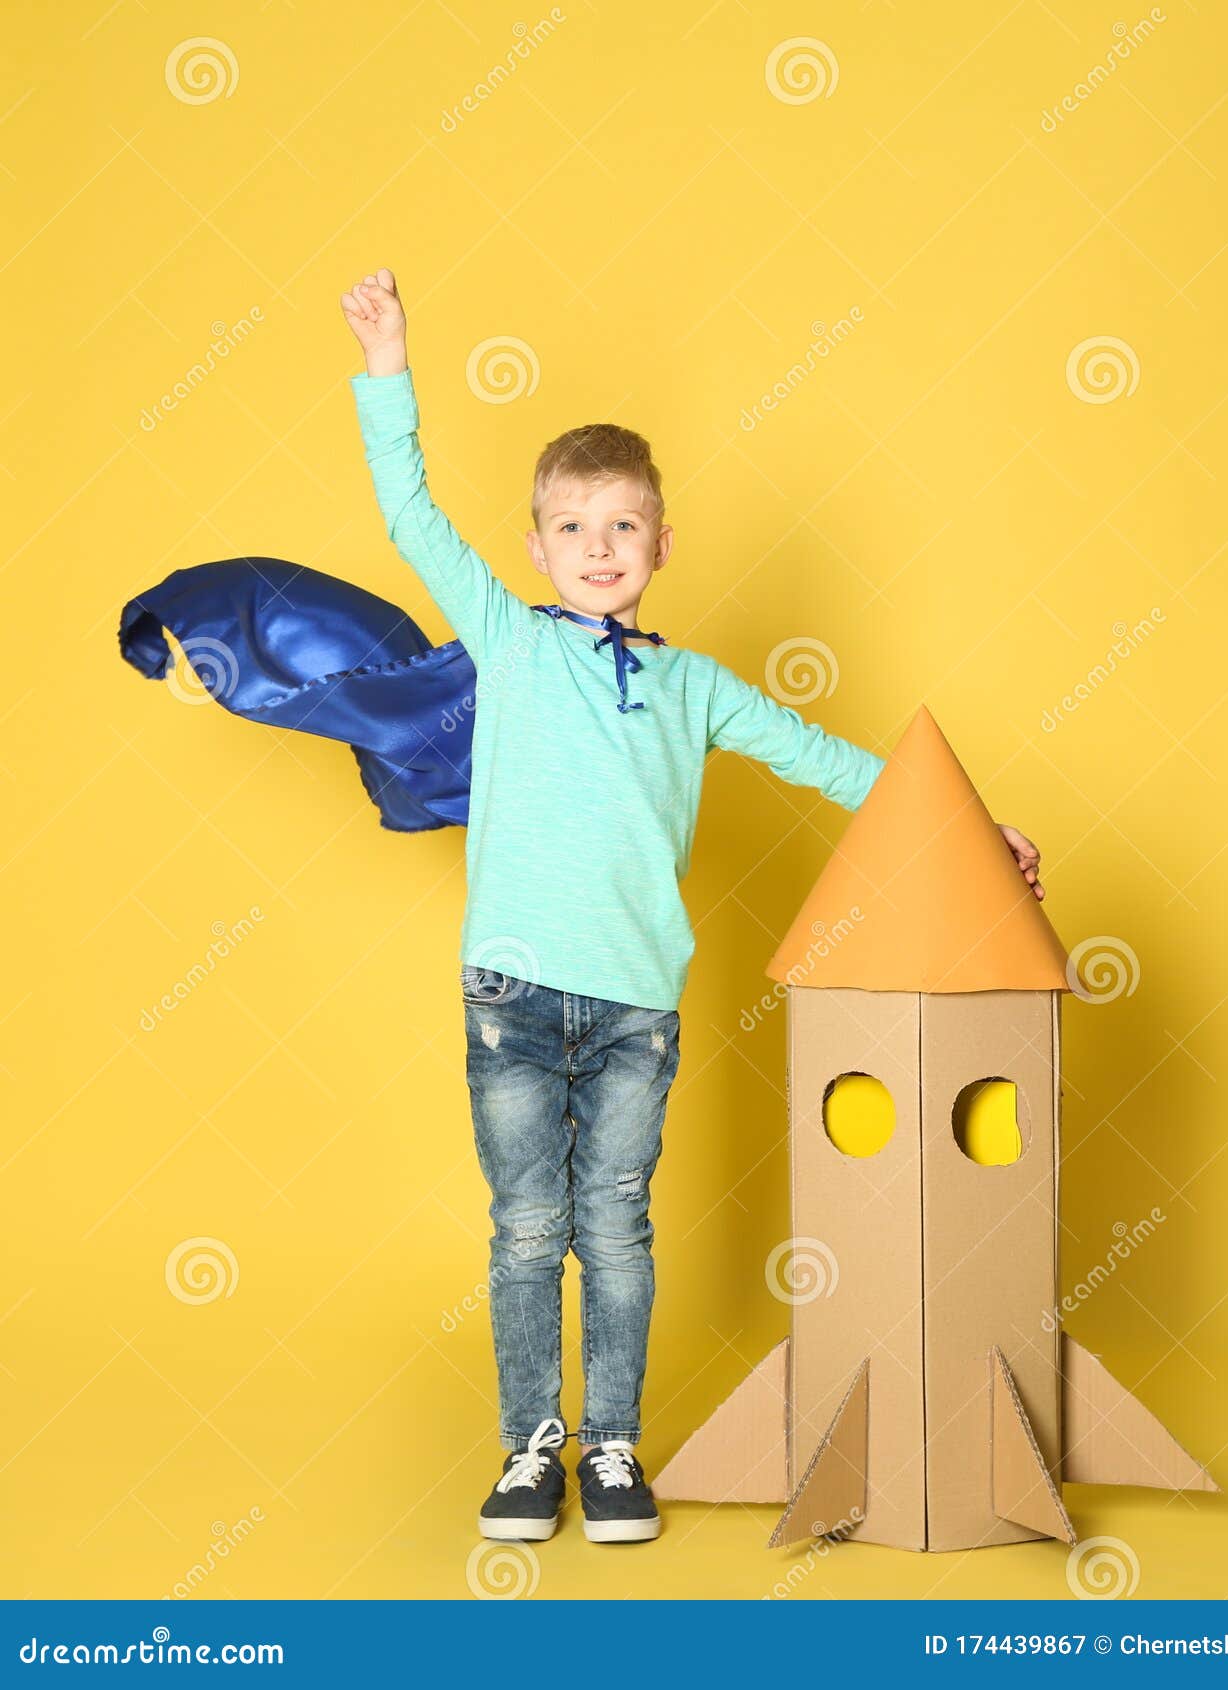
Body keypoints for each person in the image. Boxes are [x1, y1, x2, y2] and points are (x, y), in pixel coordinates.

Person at [339, 268, 1046, 1545]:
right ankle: (529, 1448)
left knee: (613, 1224)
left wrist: (966, 827)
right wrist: (388, 370)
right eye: (572, 528)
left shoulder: (697, 685)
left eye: (623, 528)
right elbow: (407, 511)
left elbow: (826, 759)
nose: (598, 550)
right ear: (536, 545)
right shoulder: (509, 637)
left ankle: (611, 1446)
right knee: (526, 1227)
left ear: (661, 546)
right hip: (511, 986)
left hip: (634, 1004)